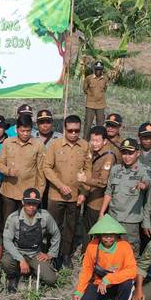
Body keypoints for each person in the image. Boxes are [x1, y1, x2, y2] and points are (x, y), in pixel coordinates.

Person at [70, 215, 137, 300]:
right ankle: (106, 299)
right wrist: (79, 291)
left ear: (117, 235)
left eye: (112, 235)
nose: (108, 239)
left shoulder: (124, 246)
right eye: (105, 236)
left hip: (117, 284)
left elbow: (132, 270)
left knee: (129, 282)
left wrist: (108, 279)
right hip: (99, 285)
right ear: (100, 236)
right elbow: (86, 270)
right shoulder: (92, 246)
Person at [42, 115, 90, 268]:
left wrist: (84, 192)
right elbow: (46, 167)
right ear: (65, 129)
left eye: (77, 131)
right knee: (53, 225)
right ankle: (53, 254)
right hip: (56, 195)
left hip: (76, 195)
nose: (74, 134)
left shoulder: (85, 146)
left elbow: (88, 170)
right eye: (71, 131)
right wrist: (60, 185)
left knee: (71, 226)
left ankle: (66, 254)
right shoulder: (55, 145)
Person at [1, 188, 61, 292]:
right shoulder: (13, 218)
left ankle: (32, 269)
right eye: (28, 203)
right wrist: (20, 259)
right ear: (23, 202)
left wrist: (51, 254)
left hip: (35, 253)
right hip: (18, 252)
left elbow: (56, 233)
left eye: (35, 204)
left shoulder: (45, 216)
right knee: (6, 261)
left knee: (51, 279)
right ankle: (13, 277)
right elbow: (7, 241)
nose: (31, 207)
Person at [99, 138, 151, 256]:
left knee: (130, 251)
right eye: (124, 153)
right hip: (113, 218)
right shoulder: (115, 169)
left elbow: (147, 182)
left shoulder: (144, 169)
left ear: (138, 153)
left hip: (130, 221)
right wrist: (102, 212)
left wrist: (143, 185)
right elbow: (109, 192)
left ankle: (130, 274)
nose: (127, 156)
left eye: (130, 153)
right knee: (112, 250)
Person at [0, 115, 44, 223]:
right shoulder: (8, 142)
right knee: (8, 221)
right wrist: (8, 171)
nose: (25, 134)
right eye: (22, 131)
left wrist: (39, 192)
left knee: (26, 223)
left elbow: (41, 171)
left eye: (28, 131)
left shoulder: (38, 144)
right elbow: (0, 163)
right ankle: (7, 240)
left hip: (28, 193)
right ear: (17, 129)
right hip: (9, 191)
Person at [78, 125, 119, 243]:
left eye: (97, 141)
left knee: (94, 231)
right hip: (89, 197)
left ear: (105, 141)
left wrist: (85, 180)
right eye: (92, 140)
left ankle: (90, 254)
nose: (94, 143)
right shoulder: (93, 151)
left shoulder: (108, 157)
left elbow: (102, 182)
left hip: (97, 202)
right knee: (85, 228)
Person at [82, 58, 123, 138]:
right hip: (90, 104)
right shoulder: (89, 78)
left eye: (100, 69)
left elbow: (104, 89)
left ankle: (99, 139)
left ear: (102, 70)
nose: (98, 71)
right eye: (97, 69)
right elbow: (85, 89)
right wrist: (91, 95)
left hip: (101, 104)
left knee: (100, 123)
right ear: (94, 69)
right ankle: (85, 140)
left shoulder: (105, 79)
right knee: (88, 123)